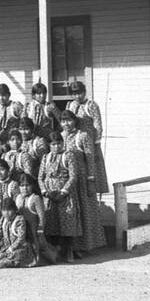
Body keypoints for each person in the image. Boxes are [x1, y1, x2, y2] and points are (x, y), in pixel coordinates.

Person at [60, 104, 107, 256]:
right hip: (67, 179)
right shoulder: (61, 136)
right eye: (63, 121)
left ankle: (86, 246)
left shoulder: (83, 136)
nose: (66, 124)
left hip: (82, 177)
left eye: (68, 120)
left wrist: (91, 179)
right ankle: (71, 247)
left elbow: (90, 158)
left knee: (85, 210)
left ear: (74, 120)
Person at [39, 132, 80, 263]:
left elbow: (73, 176)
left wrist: (64, 191)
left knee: (67, 220)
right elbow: (41, 177)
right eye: (53, 144)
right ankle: (53, 251)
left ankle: (69, 251)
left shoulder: (68, 156)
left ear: (62, 143)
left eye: (58, 143)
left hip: (65, 195)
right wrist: (45, 191)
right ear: (49, 145)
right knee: (51, 222)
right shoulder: (46, 158)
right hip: (49, 195)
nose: (56, 147)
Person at [0, 198, 34, 268]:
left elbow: (21, 238)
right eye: (4, 210)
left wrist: (10, 249)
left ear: (15, 210)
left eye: (9, 210)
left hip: (19, 248)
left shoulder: (19, 219)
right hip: (7, 248)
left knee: (8, 259)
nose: (6, 213)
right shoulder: (3, 219)